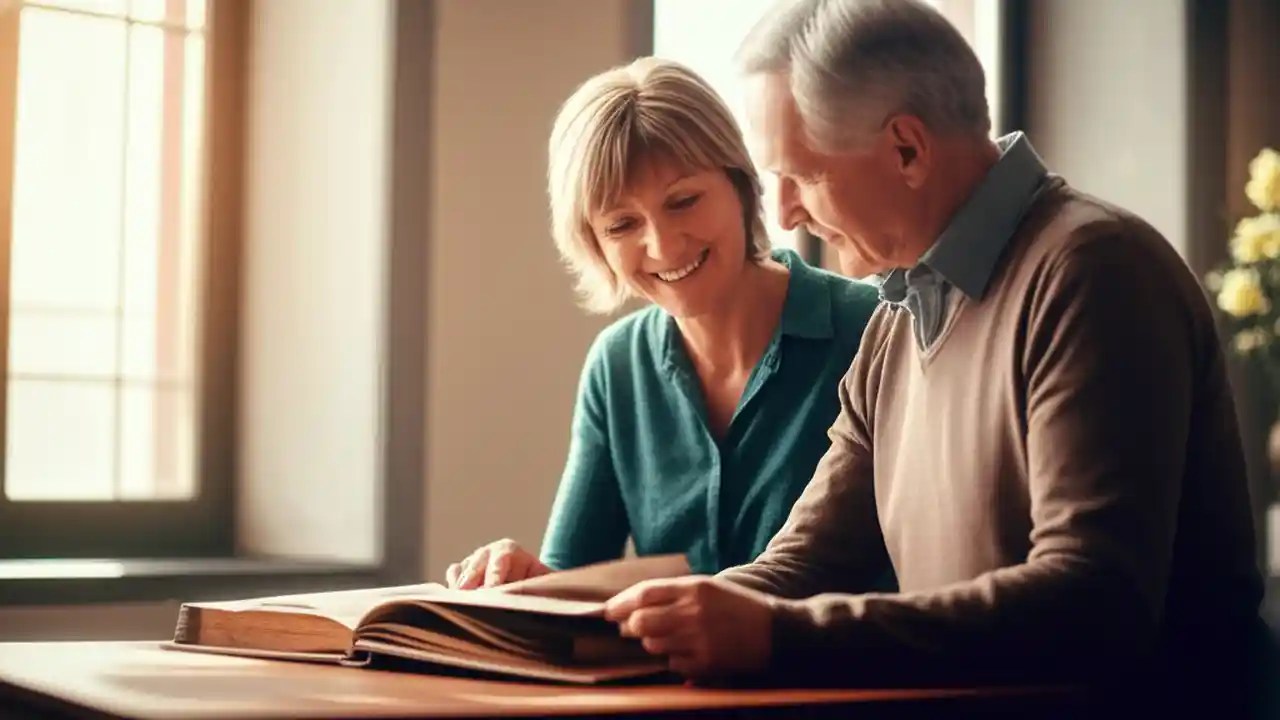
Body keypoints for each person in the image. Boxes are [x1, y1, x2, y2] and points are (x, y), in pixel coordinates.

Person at [605, 0, 1273, 708]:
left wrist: (780, 634)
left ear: (907, 149)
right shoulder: (900, 316)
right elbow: (800, 564)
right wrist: (613, 628)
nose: (787, 212)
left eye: (801, 175)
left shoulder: (1095, 271)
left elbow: (1094, 601)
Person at [444, 58, 884, 589]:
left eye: (683, 201)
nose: (662, 245)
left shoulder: (871, 329)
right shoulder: (617, 365)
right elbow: (572, 578)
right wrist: (522, 576)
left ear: (740, 185)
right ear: (595, 244)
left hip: (847, 670)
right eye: (623, 224)